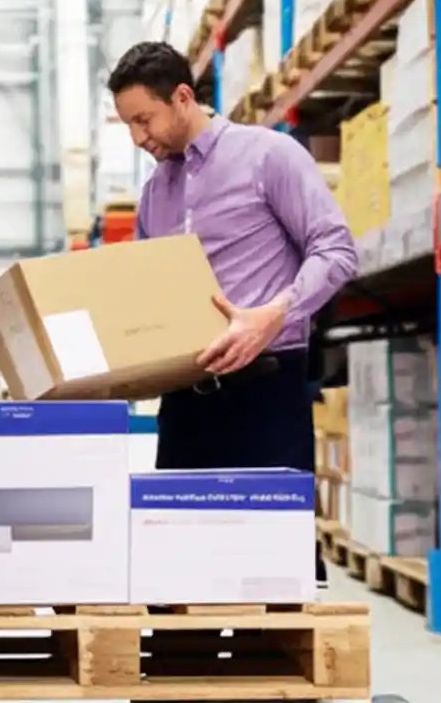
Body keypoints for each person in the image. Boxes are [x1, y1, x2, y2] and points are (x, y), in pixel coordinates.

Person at [108, 42, 357, 589]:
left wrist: (273, 315)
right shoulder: (155, 194)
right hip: (187, 401)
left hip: (265, 391)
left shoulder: (270, 156)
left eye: (143, 120)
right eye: (127, 125)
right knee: (175, 570)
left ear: (182, 97)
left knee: (272, 574)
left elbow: (337, 251)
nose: (137, 138)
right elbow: (149, 294)